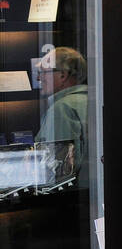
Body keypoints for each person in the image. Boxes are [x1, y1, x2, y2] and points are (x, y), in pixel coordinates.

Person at [36, 47, 89, 186]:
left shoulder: (61, 109)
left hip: (69, 199)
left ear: (63, 75)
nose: (38, 78)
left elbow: (58, 170)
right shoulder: (91, 100)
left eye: (43, 72)